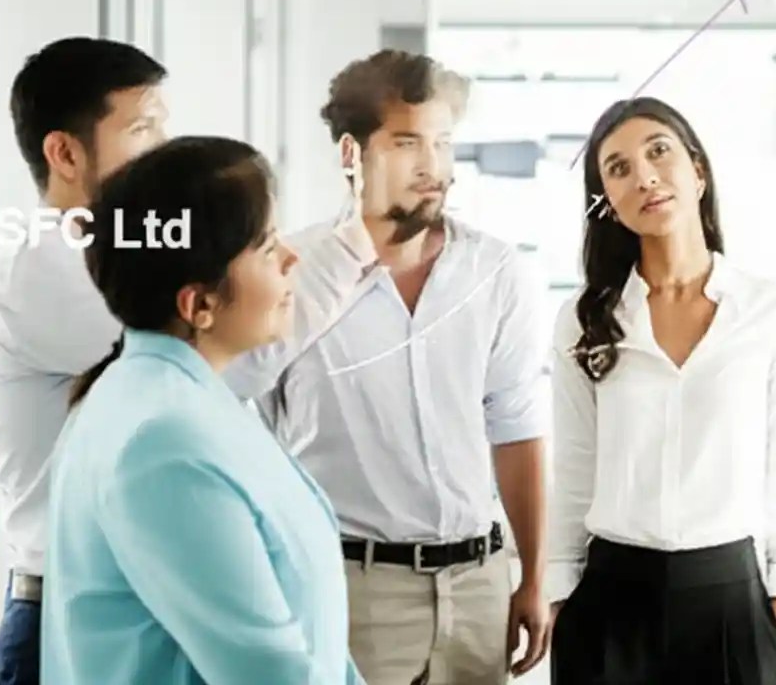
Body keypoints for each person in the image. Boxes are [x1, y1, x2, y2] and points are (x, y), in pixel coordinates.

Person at [224, 49, 551, 685]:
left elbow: (514, 426)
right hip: (352, 591)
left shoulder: (496, 271)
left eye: (443, 143)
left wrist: (533, 576)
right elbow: (237, 391)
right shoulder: (289, 268)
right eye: (407, 143)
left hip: (478, 588)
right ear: (352, 154)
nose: (432, 165)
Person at [41, 135, 366, 685]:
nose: (293, 258)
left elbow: (309, 647)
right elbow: (268, 671)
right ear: (200, 304)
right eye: (266, 247)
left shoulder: (181, 399)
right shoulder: (165, 442)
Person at [545, 96, 776, 684]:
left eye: (658, 152)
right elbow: (574, 465)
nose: (644, 176)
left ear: (697, 169)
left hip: (730, 595)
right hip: (609, 598)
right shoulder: (586, 320)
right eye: (618, 168)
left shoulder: (769, 309)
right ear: (608, 203)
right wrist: (561, 593)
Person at [0, 36, 168, 685]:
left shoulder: (119, 256)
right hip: (65, 621)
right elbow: (208, 365)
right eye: (141, 129)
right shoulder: (44, 265)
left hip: (119, 611)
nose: (163, 151)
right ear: (64, 152)